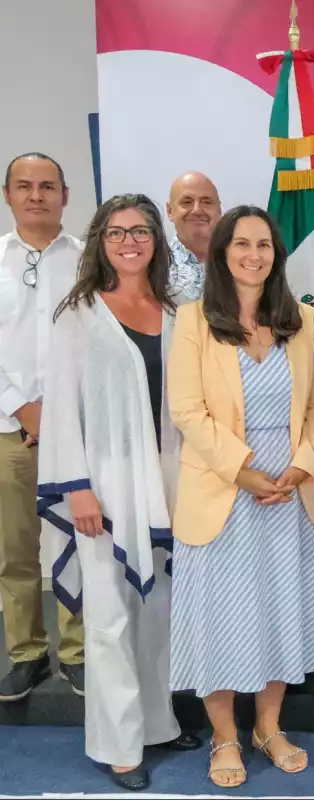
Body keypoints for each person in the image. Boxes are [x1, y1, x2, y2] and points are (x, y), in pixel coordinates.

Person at [36, 194, 201, 791]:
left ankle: (155, 722)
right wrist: (76, 487)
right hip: (101, 488)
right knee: (109, 617)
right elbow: (60, 409)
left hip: (171, 482)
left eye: (140, 231)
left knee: (158, 611)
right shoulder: (78, 313)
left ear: (157, 240)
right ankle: (118, 743)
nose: (128, 241)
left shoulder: (181, 313)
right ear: (100, 241)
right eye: (115, 232)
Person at [168, 205, 314, 788]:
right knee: (218, 618)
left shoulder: (304, 322)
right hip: (221, 490)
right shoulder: (192, 320)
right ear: (221, 252)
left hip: (287, 494)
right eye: (241, 244)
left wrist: (300, 464)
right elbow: (187, 410)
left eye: (264, 245)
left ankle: (268, 726)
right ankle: (224, 736)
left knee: (278, 611)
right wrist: (242, 471)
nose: (254, 255)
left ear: (276, 256)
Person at [0, 152, 86, 701]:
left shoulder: (89, 262)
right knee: (15, 549)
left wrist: (56, 411)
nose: (36, 195)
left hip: (74, 429)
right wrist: (21, 407)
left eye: (47, 186)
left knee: (79, 542)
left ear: (65, 196)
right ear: (8, 195)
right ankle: (26, 653)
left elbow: (95, 345)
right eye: (24, 186)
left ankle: (78, 652)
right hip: (9, 429)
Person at [165, 171, 221, 303]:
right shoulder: (153, 266)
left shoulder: (239, 263)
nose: (197, 209)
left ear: (219, 210)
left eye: (206, 202)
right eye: (187, 202)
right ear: (170, 211)